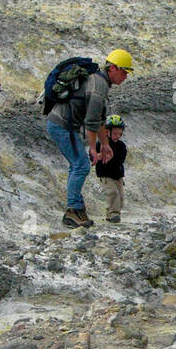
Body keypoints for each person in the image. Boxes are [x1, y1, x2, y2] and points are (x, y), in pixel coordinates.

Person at [46, 48, 134, 228]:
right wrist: (94, 149)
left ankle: (76, 209)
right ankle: (73, 211)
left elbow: (100, 120)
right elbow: (92, 121)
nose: (126, 76)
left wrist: (105, 144)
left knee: (78, 165)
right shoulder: (98, 85)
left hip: (63, 124)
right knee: (81, 165)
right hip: (62, 125)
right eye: (124, 72)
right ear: (113, 68)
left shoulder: (100, 82)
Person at [94, 114, 128, 223]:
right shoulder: (102, 144)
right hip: (106, 174)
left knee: (121, 196)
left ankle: (111, 214)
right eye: (115, 133)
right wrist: (98, 157)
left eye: (119, 134)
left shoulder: (121, 146)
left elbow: (121, 159)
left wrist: (112, 158)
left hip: (118, 175)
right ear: (107, 132)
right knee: (113, 193)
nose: (117, 136)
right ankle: (113, 215)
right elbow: (93, 155)